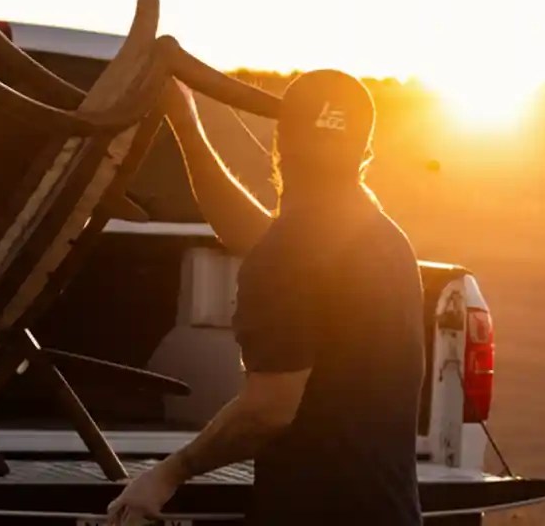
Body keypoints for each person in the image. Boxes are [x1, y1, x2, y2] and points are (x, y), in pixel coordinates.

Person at [107, 69, 425, 525]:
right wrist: (186, 124)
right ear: (366, 153)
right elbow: (260, 239)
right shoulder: (383, 238)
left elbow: (268, 410)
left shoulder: (290, 251)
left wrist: (167, 475)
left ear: (281, 143)